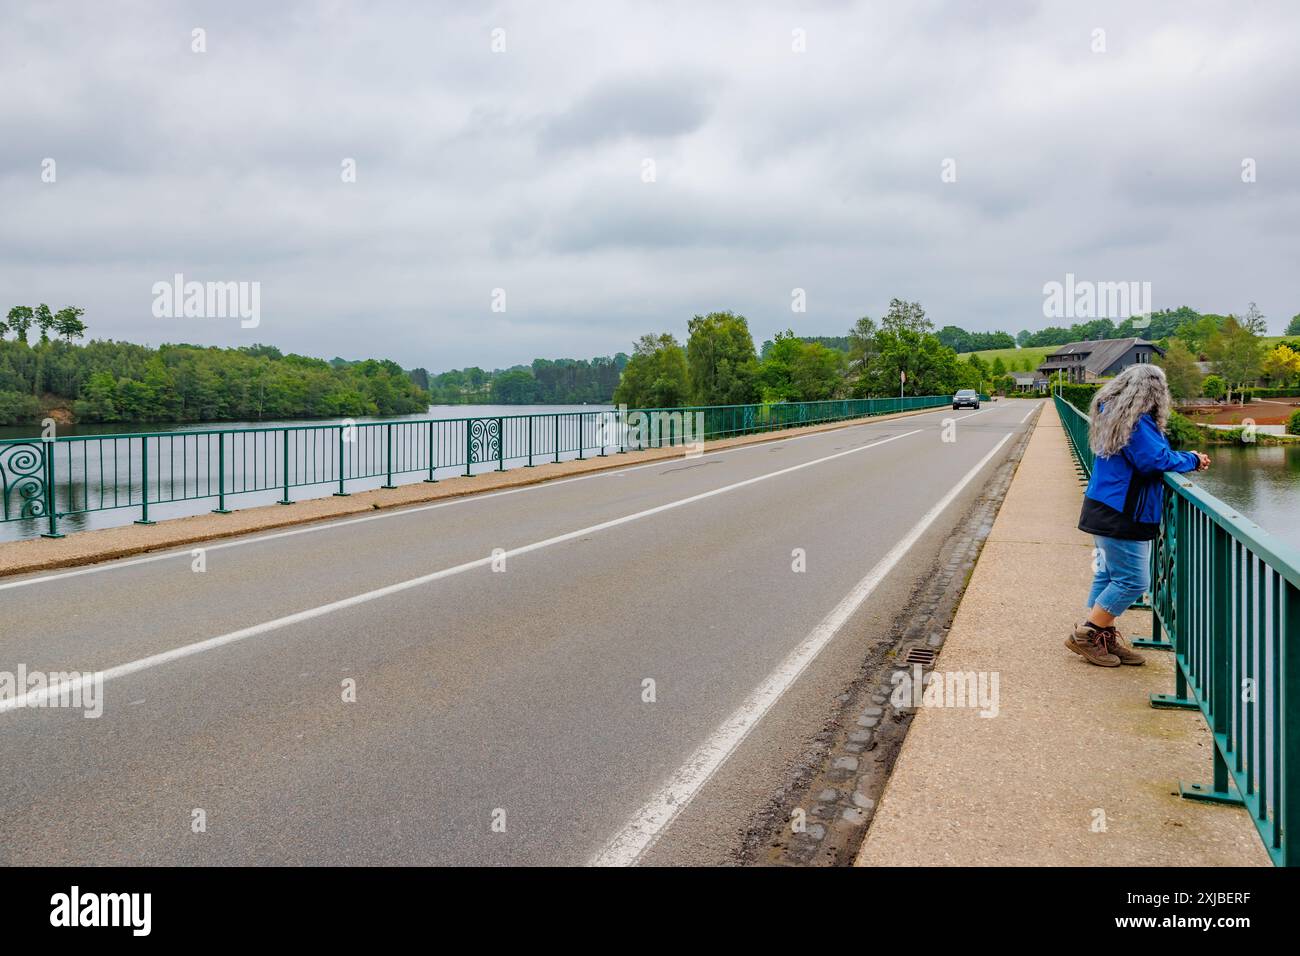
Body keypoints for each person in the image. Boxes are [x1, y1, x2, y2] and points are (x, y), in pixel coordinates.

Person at [1068, 365, 1210, 667]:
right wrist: (1193, 459)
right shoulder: (1136, 422)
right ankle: (1089, 634)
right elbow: (1153, 460)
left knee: (1108, 575)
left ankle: (1101, 636)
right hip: (1123, 511)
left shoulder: (1113, 413)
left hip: (1104, 505)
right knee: (1134, 580)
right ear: (1155, 391)